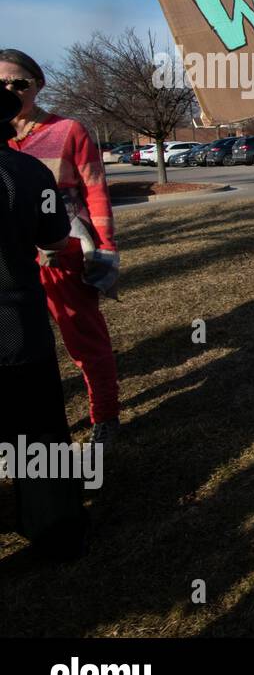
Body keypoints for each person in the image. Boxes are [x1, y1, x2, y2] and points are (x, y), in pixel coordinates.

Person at [4, 49, 122, 445]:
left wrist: (104, 250)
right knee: (17, 348)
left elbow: (96, 191)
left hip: (65, 251)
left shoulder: (69, 130)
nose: (10, 90)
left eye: (19, 82)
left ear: (38, 84)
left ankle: (104, 416)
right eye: (1, 83)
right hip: (11, 260)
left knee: (84, 339)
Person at [0, 85, 88, 559]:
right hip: (19, 328)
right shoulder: (30, 172)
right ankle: (55, 527)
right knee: (36, 434)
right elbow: (55, 237)